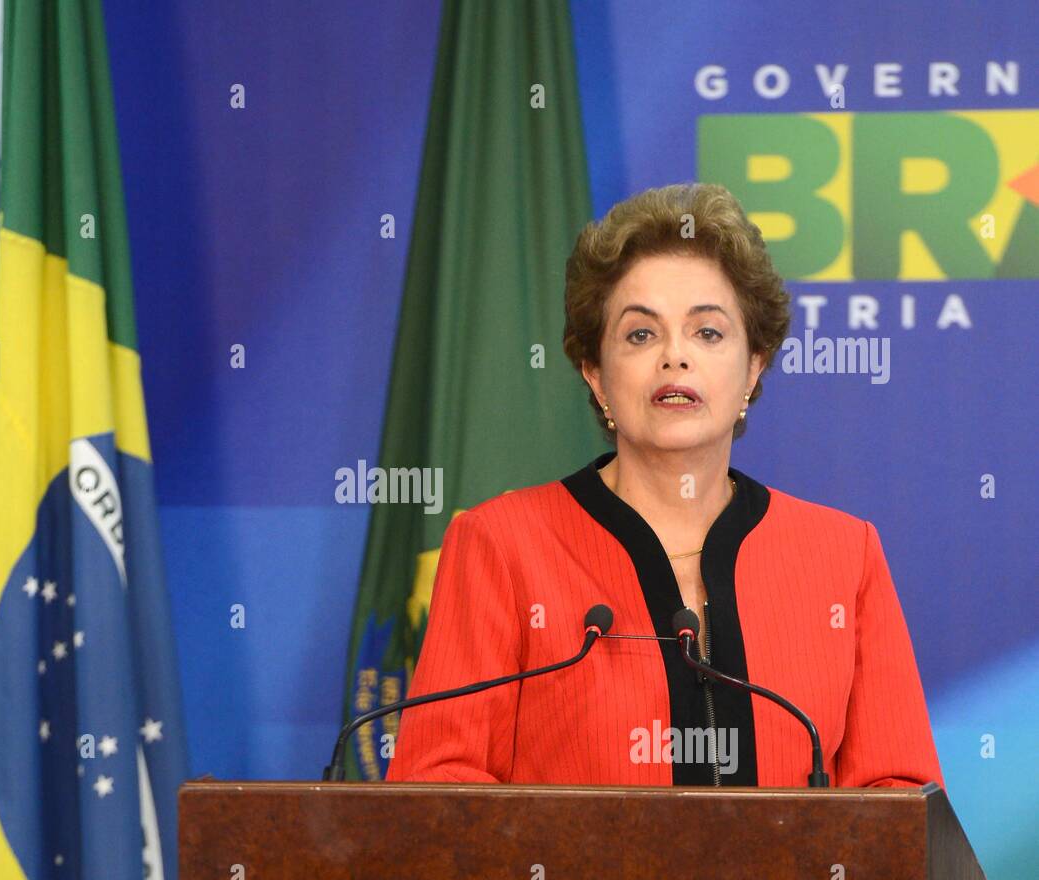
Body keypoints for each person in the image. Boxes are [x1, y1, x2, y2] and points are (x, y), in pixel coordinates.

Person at [384, 183, 945, 789]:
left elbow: (899, 804)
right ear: (595, 374)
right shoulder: (501, 545)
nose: (675, 357)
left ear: (754, 366)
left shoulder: (843, 556)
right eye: (640, 335)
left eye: (707, 332)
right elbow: (439, 790)